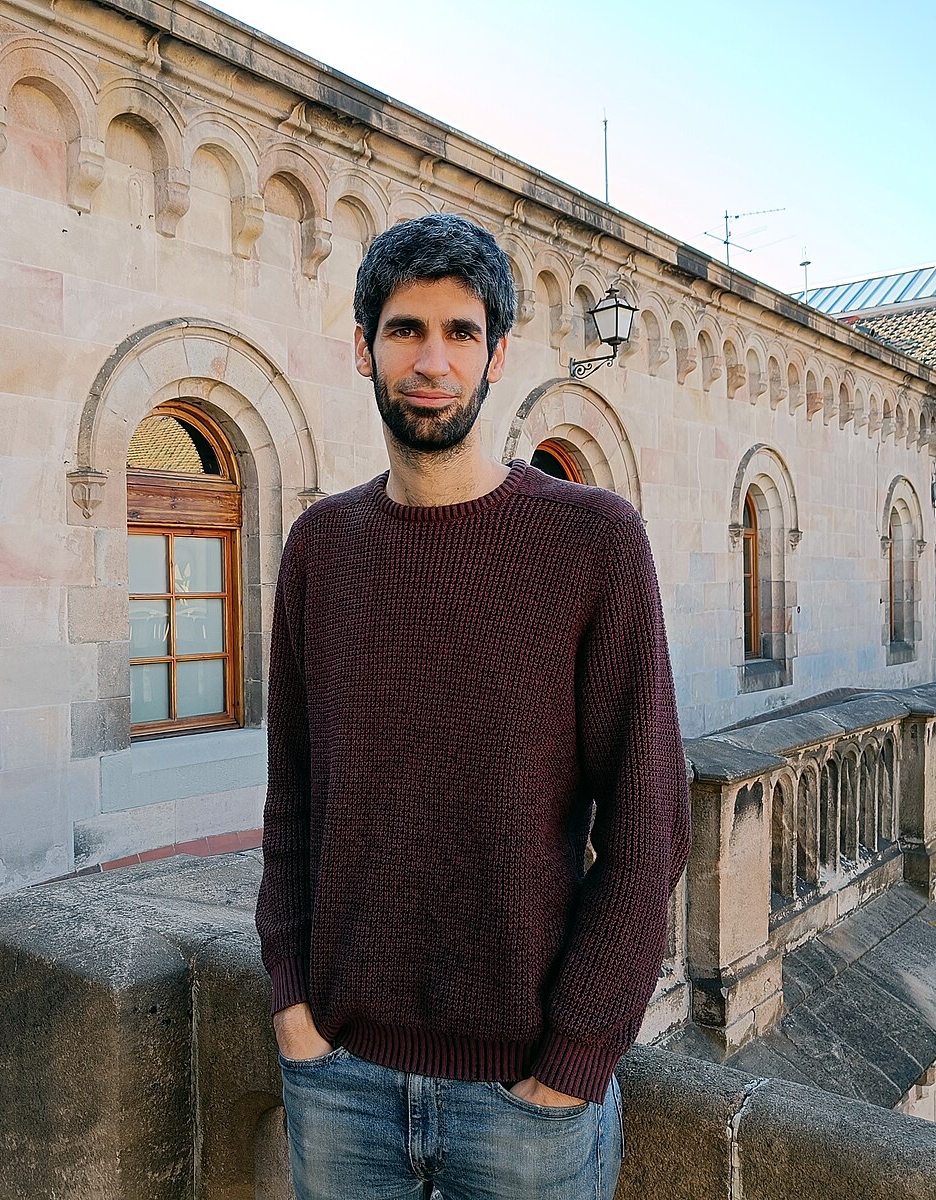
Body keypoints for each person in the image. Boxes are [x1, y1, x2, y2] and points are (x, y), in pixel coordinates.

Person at [255, 212, 691, 1200]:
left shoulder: (593, 541)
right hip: (340, 1083)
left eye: (460, 333)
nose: (431, 360)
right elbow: (294, 798)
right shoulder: (322, 548)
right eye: (406, 330)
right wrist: (293, 1001)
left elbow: (651, 816)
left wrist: (573, 1058)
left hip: (523, 1100)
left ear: (497, 355)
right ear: (363, 348)